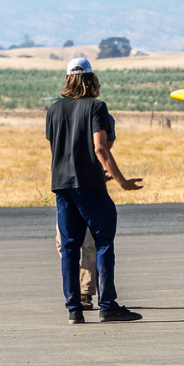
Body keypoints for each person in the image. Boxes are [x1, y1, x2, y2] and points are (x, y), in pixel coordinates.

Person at [46, 57, 145, 323]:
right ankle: (107, 305)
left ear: (68, 79)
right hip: (90, 186)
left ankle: (74, 310)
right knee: (103, 244)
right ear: (92, 79)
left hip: (62, 187)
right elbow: (100, 147)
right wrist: (121, 181)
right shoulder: (97, 107)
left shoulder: (53, 110)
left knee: (69, 248)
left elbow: (60, 147)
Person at [53, 111, 115, 310]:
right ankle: (74, 293)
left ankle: (85, 292)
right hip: (68, 185)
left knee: (89, 243)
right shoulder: (59, 114)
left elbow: (103, 147)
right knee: (64, 244)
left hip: (87, 187)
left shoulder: (101, 116)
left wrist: (97, 171)